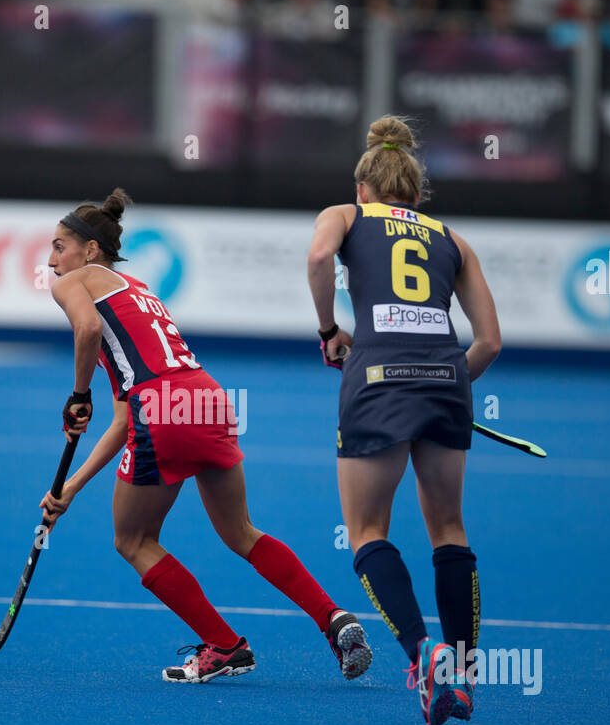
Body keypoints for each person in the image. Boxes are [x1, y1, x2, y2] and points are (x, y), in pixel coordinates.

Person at [38, 188, 373, 682]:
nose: (51, 260)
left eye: (59, 246)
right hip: (206, 397)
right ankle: (333, 617)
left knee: (133, 540)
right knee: (241, 531)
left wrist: (78, 393)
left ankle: (225, 645)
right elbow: (126, 420)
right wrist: (69, 489)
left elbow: (86, 332)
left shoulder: (75, 283)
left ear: (90, 250)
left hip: (161, 407)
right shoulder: (138, 289)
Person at [306, 115, 502, 725]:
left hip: (376, 379)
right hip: (447, 382)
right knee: (450, 529)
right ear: (417, 194)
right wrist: (446, 380)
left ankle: (424, 654)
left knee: (366, 530)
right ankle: (464, 677)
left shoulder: (345, 215)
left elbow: (317, 259)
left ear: (362, 186)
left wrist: (329, 329)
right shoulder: (452, 238)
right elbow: (490, 342)